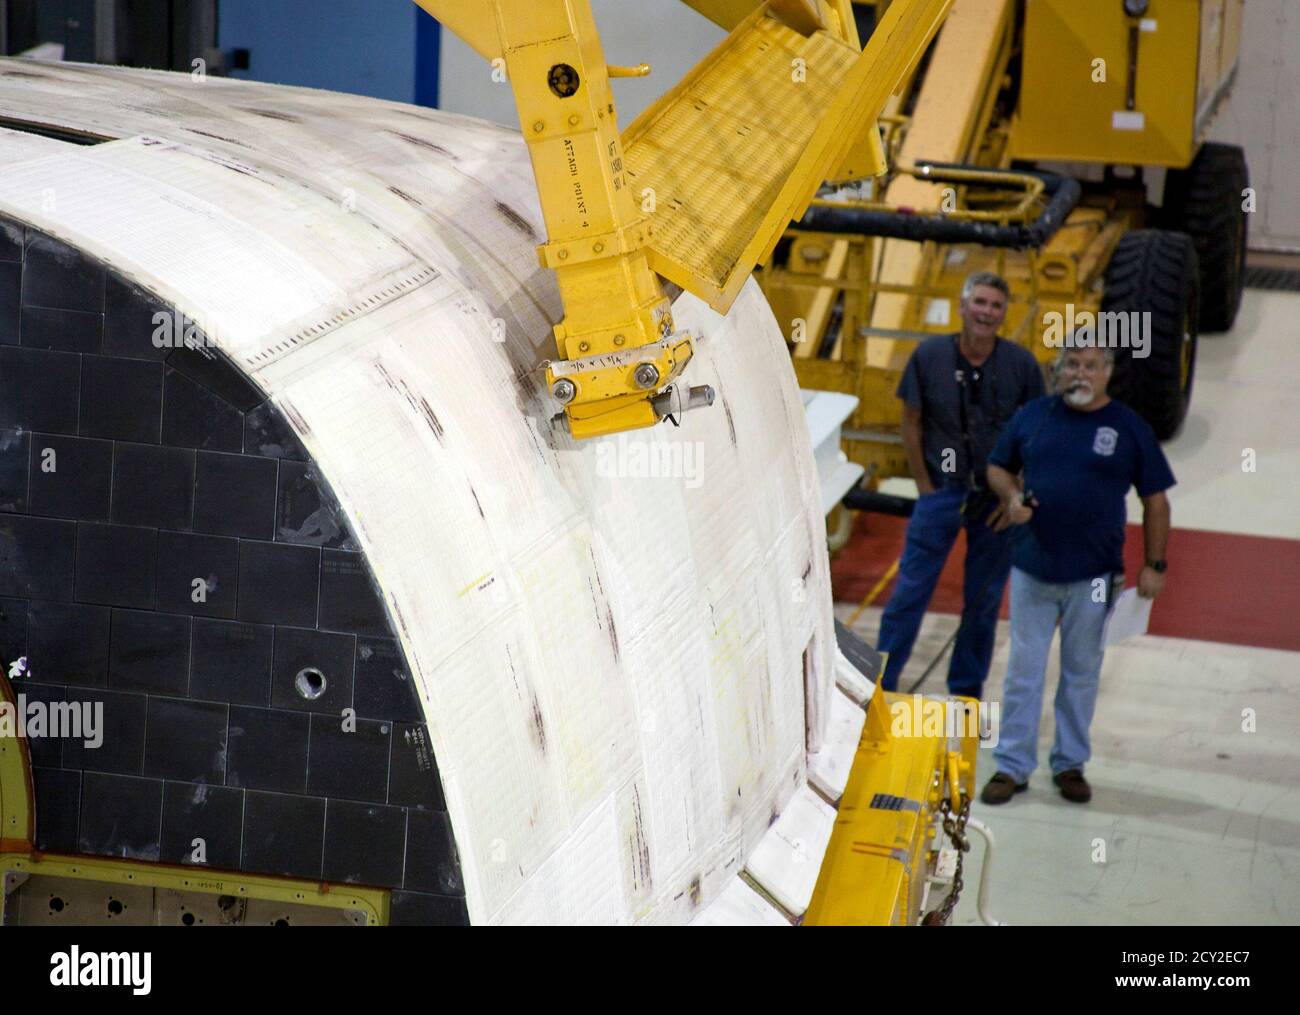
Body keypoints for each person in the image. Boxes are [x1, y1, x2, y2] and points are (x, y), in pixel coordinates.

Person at [980, 343, 1174, 805]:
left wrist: (1155, 563)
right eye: (1072, 365)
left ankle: (1069, 763)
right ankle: (1012, 765)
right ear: (1058, 371)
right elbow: (997, 467)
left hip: (1093, 576)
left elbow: (1156, 501)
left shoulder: (1128, 428)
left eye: (1090, 366)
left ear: (1107, 374)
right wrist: (1010, 497)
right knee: (1023, 670)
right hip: (1033, 569)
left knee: (1081, 672)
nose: (1080, 374)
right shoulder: (1034, 416)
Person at [876, 271, 1045, 699]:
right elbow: (911, 421)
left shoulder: (1021, 366)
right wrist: (923, 484)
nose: (987, 312)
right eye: (980, 302)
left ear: (1004, 314)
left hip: (994, 502)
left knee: (983, 604)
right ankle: (882, 685)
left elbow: (1037, 432)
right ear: (963, 306)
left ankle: (966, 693)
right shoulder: (929, 357)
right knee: (908, 594)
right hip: (942, 492)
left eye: (996, 305)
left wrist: (1016, 494)